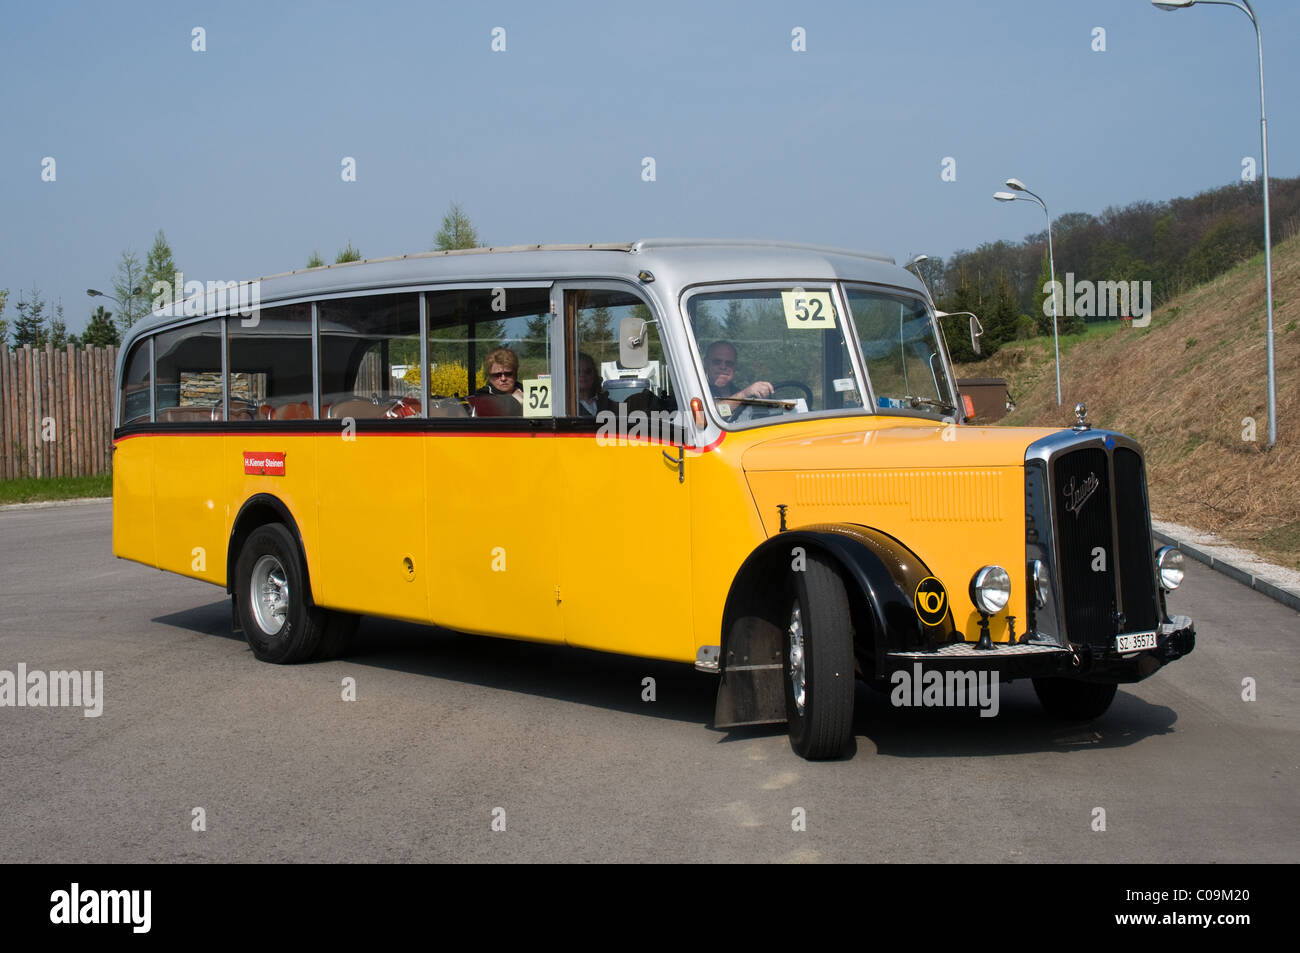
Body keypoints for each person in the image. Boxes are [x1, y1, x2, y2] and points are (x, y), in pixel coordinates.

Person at [704, 341, 773, 401]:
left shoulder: (739, 393)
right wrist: (744, 394)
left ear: (735, 367)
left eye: (729, 363)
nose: (723, 367)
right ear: (706, 363)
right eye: (717, 362)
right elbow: (710, 412)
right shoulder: (698, 392)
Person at [472, 347, 524, 416]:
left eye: (508, 374)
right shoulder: (481, 396)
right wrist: (516, 400)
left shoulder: (528, 392)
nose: (503, 378)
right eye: (497, 375)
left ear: (515, 374)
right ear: (489, 377)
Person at [576, 352, 615, 417]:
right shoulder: (564, 406)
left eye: (587, 371)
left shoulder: (607, 403)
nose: (582, 375)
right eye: (576, 371)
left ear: (594, 375)